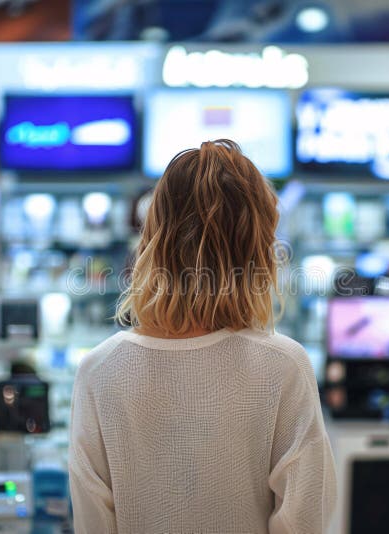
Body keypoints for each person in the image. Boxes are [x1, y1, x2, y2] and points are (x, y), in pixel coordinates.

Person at [69, 139, 336, 533]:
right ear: (257, 249)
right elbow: (305, 521)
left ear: (153, 241)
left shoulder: (100, 369)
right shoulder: (282, 366)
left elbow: (94, 524)